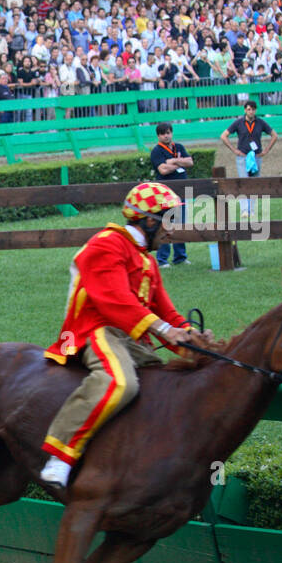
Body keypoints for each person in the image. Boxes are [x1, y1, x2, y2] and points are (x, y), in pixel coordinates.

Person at [38, 182, 215, 488]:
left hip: (132, 340)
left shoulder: (145, 258)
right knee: (120, 383)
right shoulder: (106, 244)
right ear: (149, 220)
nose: (173, 231)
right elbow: (115, 301)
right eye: (170, 221)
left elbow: (165, 311)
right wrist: (164, 330)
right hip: (96, 332)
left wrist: (193, 339)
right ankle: (60, 458)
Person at [220, 99, 277, 218]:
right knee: (243, 181)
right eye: (248, 109)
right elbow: (224, 136)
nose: (251, 112)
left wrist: (266, 150)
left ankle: (252, 209)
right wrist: (234, 150)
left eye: (253, 109)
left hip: (256, 156)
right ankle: (244, 210)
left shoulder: (260, 123)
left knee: (254, 183)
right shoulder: (238, 123)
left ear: (256, 110)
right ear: (245, 110)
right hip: (243, 157)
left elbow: (274, 135)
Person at [149, 122, 193, 268]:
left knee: (180, 223)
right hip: (165, 192)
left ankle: (180, 256)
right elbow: (162, 170)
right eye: (163, 133)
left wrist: (173, 161)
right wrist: (180, 163)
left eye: (168, 132)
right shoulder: (156, 151)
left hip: (181, 190)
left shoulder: (178, 147)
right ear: (158, 136)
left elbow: (190, 162)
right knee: (165, 223)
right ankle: (162, 259)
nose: (166, 135)